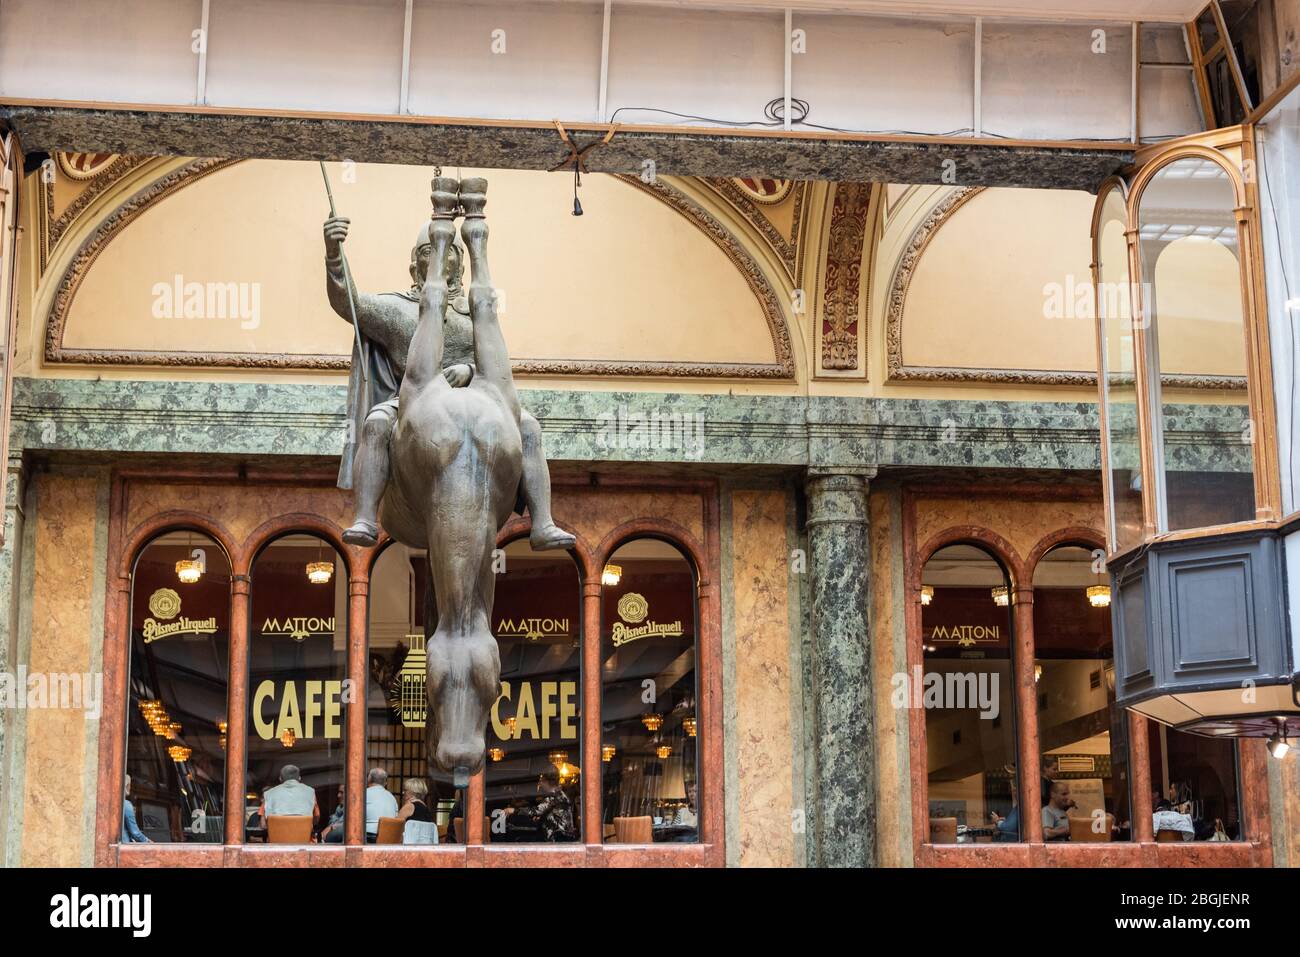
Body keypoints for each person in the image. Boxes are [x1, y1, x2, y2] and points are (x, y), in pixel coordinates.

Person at [323, 216, 574, 552]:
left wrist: (470, 370)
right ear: (414, 265)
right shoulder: (397, 309)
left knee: (528, 426)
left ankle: (542, 521)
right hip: (410, 403)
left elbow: (495, 362)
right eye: (428, 251)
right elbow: (347, 301)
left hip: (478, 398)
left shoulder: (476, 312)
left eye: (451, 251)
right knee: (376, 423)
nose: (441, 257)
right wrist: (333, 252)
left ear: (461, 263)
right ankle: (366, 516)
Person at [397, 777, 438, 845]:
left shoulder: (409, 806)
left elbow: (395, 828)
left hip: (407, 848)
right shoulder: (426, 809)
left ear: (412, 792)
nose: (403, 792)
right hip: (425, 848)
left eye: (405, 790)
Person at [365, 767, 399, 843]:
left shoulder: (364, 794)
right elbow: (396, 817)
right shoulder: (392, 797)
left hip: (369, 836)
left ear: (369, 779)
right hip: (389, 837)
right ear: (385, 783)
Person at [121, 774, 151, 843]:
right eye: (129, 785)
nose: (130, 787)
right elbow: (135, 832)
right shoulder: (126, 804)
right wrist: (147, 841)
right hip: (125, 845)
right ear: (126, 786)